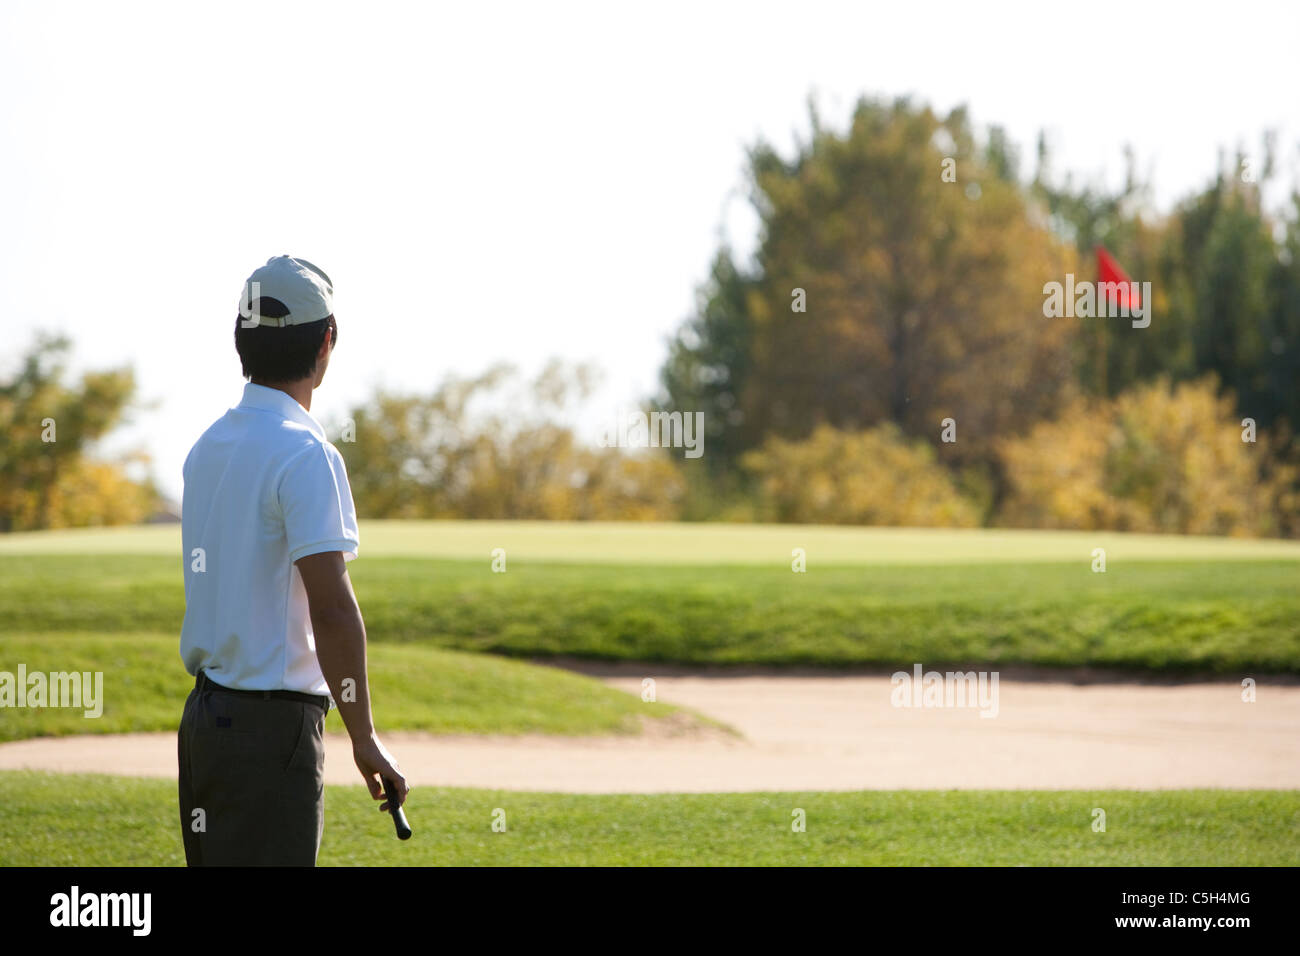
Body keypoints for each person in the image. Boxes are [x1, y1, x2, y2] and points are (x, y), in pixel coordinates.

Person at [177, 255, 407, 865]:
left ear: (240, 342)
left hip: (205, 720)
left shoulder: (206, 448)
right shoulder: (307, 455)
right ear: (327, 340)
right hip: (271, 734)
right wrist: (365, 738)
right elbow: (332, 609)